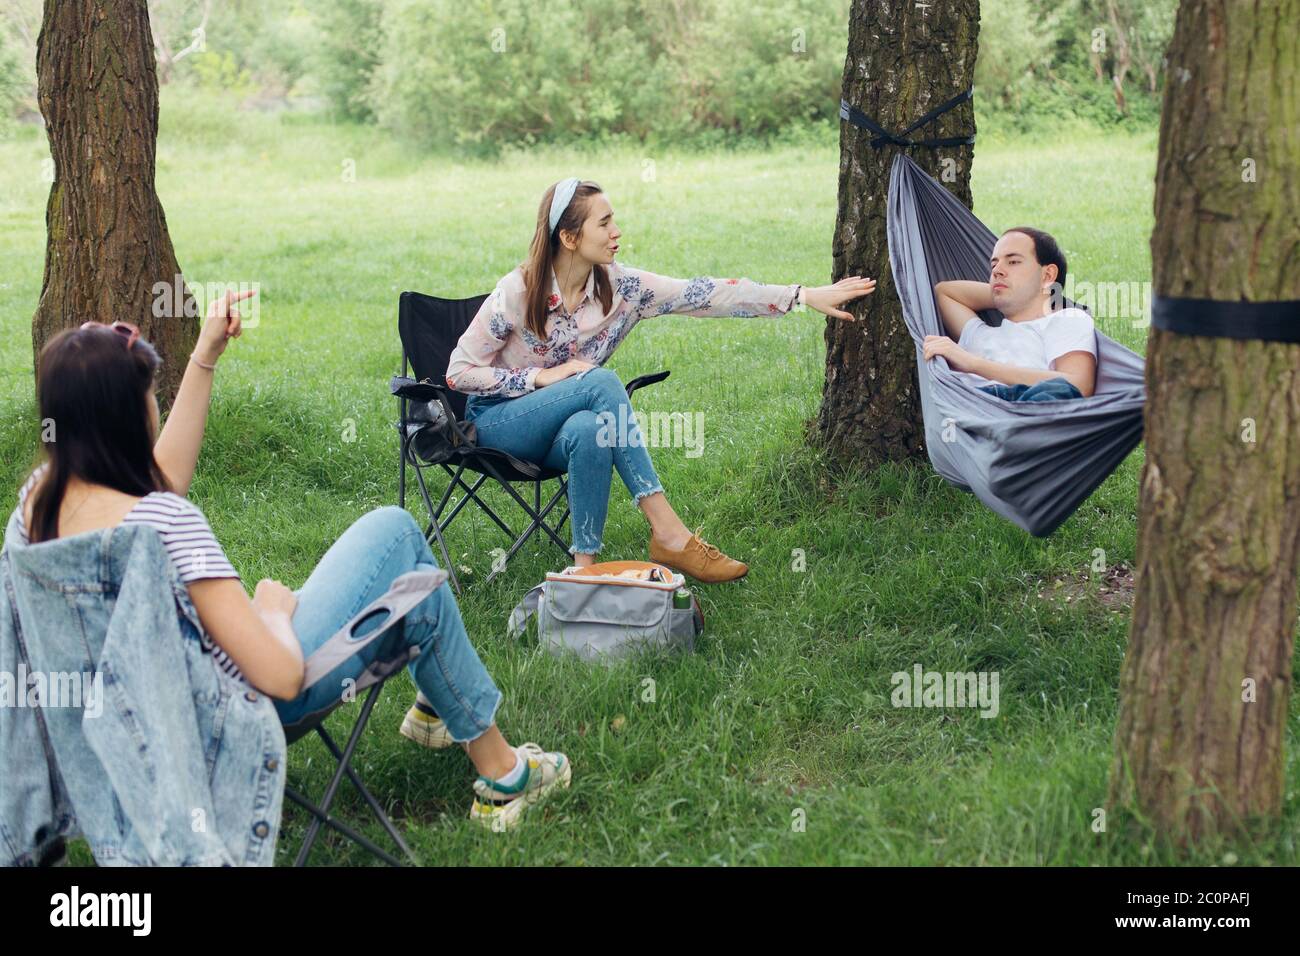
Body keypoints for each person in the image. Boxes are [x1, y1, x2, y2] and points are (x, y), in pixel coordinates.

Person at [8, 293, 567, 831]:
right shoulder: (165, 527)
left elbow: (159, 482)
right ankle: (503, 773)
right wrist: (271, 611)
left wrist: (204, 359)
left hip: (134, 745)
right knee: (399, 536)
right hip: (236, 718)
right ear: (133, 419)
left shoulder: (36, 512)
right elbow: (279, 675)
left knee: (413, 583)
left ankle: (443, 713)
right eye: (149, 396)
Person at [445, 176, 875, 582]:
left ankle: (583, 571)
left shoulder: (623, 289)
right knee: (600, 382)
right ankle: (668, 532)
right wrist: (542, 376)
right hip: (498, 423)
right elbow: (459, 372)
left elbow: (707, 293)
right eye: (604, 223)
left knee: (591, 428)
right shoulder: (518, 292)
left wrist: (802, 296)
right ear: (570, 238)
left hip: (560, 431)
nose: (616, 232)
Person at [926, 226, 1098, 402]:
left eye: (1013, 262)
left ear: (1047, 275)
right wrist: (1008, 295)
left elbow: (1077, 385)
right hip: (970, 405)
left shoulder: (1066, 319)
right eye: (994, 264)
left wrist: (973, 364)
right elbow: (943, 292)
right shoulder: (978, 334)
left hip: (1025, 406)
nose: (996, 271)